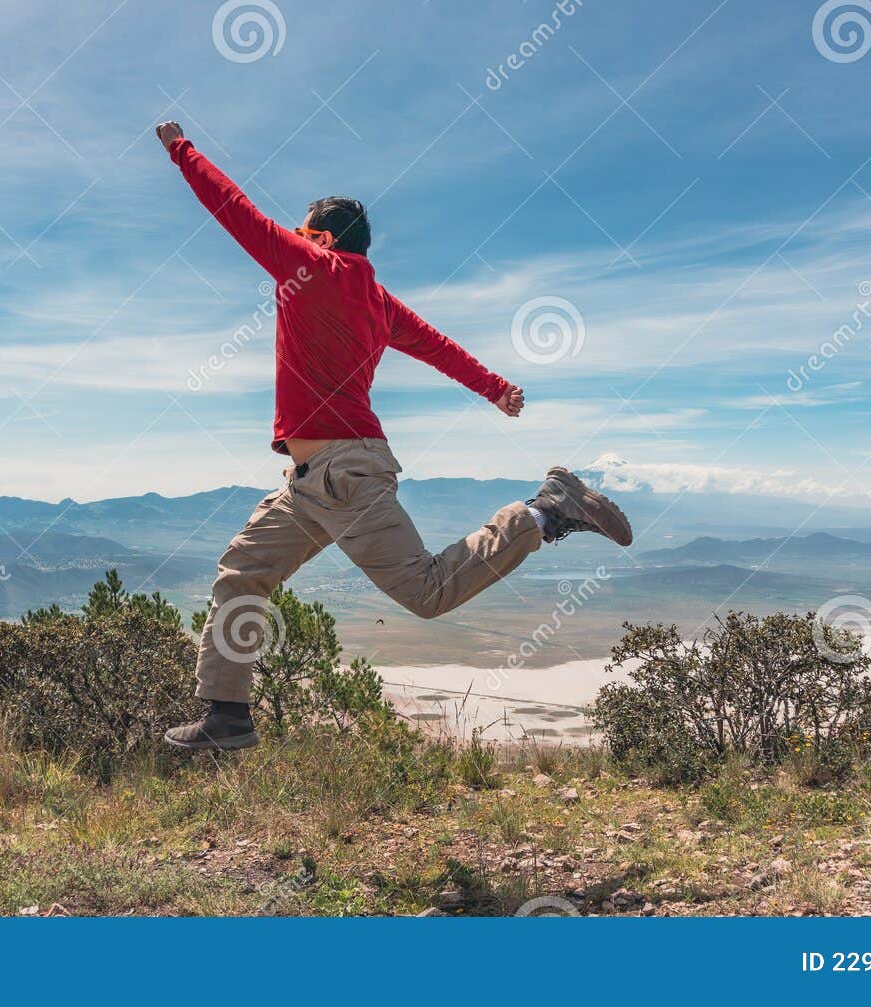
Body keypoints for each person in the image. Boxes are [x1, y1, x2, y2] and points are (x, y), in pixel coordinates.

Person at [155, 121, 632, 751]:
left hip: (343, 475)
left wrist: (181, 150)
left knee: (427, 592)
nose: (291, 240)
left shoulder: (307, 263)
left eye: (300, 232)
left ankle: (545, 512)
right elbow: (438, 347)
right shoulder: (378, 301)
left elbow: (232, 209)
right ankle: (228, 715)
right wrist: (493, 388)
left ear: (319, 238)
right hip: (310, 483)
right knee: (240, 576)